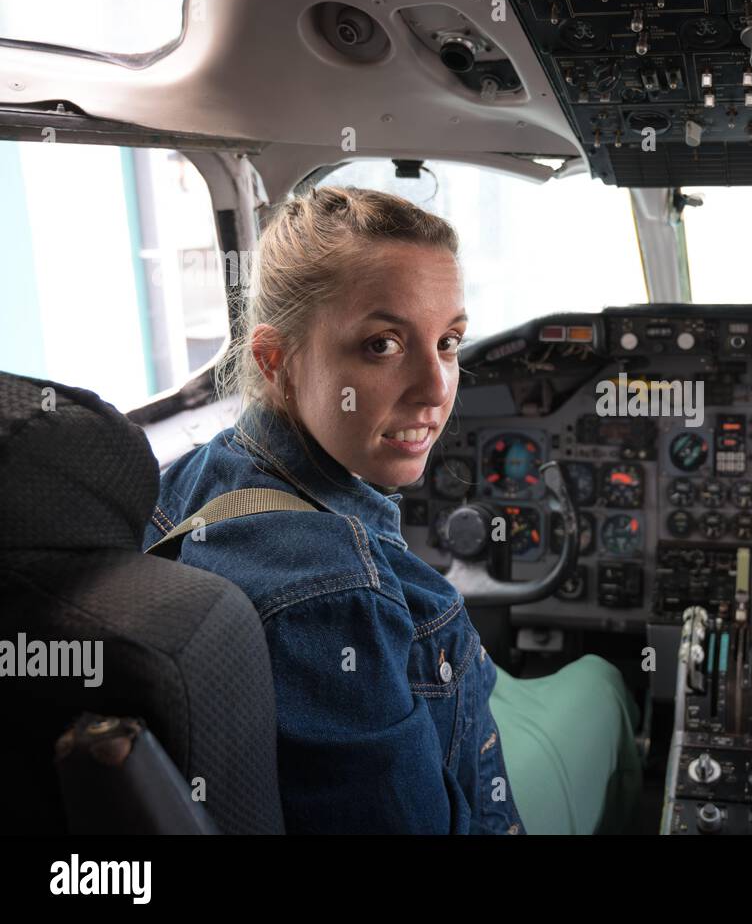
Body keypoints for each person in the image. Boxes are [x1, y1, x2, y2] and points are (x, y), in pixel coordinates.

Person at [141, 186, 641, 834]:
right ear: (275, 359)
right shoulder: (342, 599)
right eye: (382, 344)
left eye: (448, 342)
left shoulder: (188, 475)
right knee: (601, 679)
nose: (435, 390)